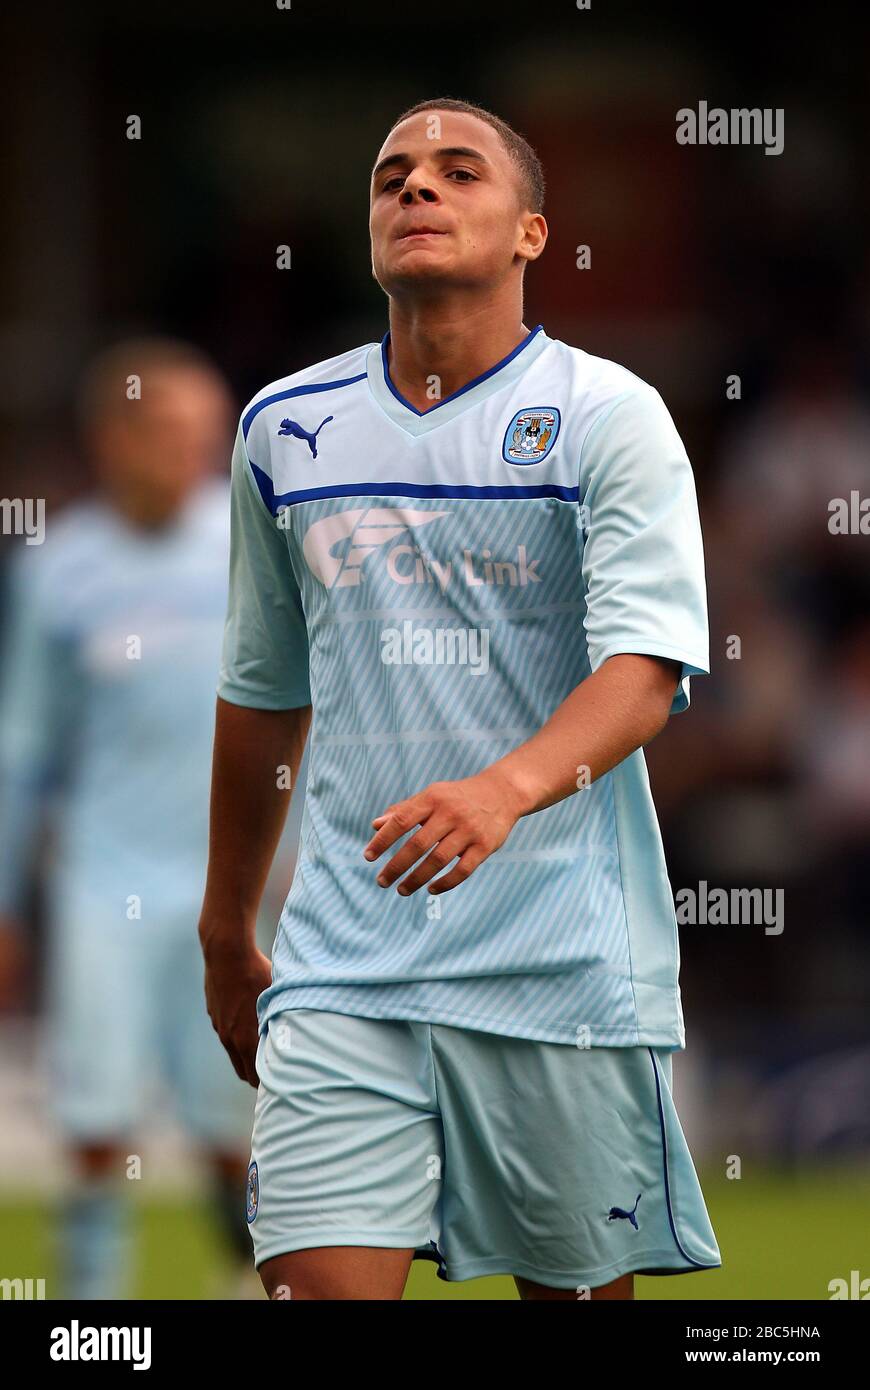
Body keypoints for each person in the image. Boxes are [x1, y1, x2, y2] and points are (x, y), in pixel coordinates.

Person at [199, 97, 722, 1301]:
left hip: (562, 967)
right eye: (391, 174)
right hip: (344, 967)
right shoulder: (286, 429)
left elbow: (645, 671)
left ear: (533, 232)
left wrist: (505, 791)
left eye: (455, 169)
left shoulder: (610, 416)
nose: (414, 187)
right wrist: (227, 923)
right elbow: (259, 692)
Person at [0, 339, 256, 1299]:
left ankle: (252, 1282)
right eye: (168, 430)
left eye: (206, 431)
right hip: (104, 881)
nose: (191, 451)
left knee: (233, 1121)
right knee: (96, 1124)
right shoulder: (59, 571)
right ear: (112, 439)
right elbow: (21, 749)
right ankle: (90, 1313)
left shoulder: (249, 549)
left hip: (234, 879)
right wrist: (7, 902)